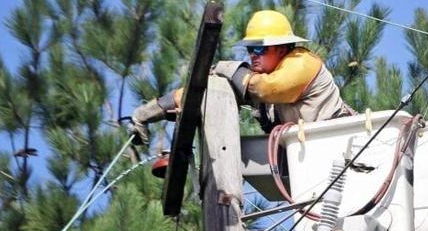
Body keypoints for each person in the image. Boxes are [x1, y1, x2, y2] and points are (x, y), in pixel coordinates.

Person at [130, 10, 353, 144]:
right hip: (307, 151)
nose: (252, 55)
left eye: (259, 49)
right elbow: (198, 95)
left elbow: (265, 88)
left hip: (340, 142)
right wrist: (147, 113)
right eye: (250, 49)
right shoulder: (262, 75)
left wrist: (227, 68)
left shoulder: (302, 62)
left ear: (282, 48)